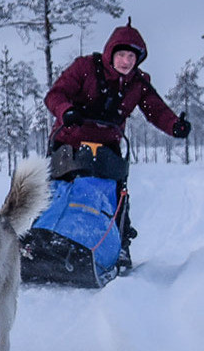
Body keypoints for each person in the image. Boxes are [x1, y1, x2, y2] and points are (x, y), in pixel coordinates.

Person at [44, 23, 190, 267]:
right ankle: (43, 238)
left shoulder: (137, 84)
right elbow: (55, 95)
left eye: (131, 56)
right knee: (58, 190)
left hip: (107, 147)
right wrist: (66, 111)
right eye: (121, 54)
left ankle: (120, 245)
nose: (125, 61)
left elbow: (156, 109)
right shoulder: (85, 68)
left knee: (116, 194)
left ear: (138, 59)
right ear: (110, 53)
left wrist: (175, 125)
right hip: (70, 140)